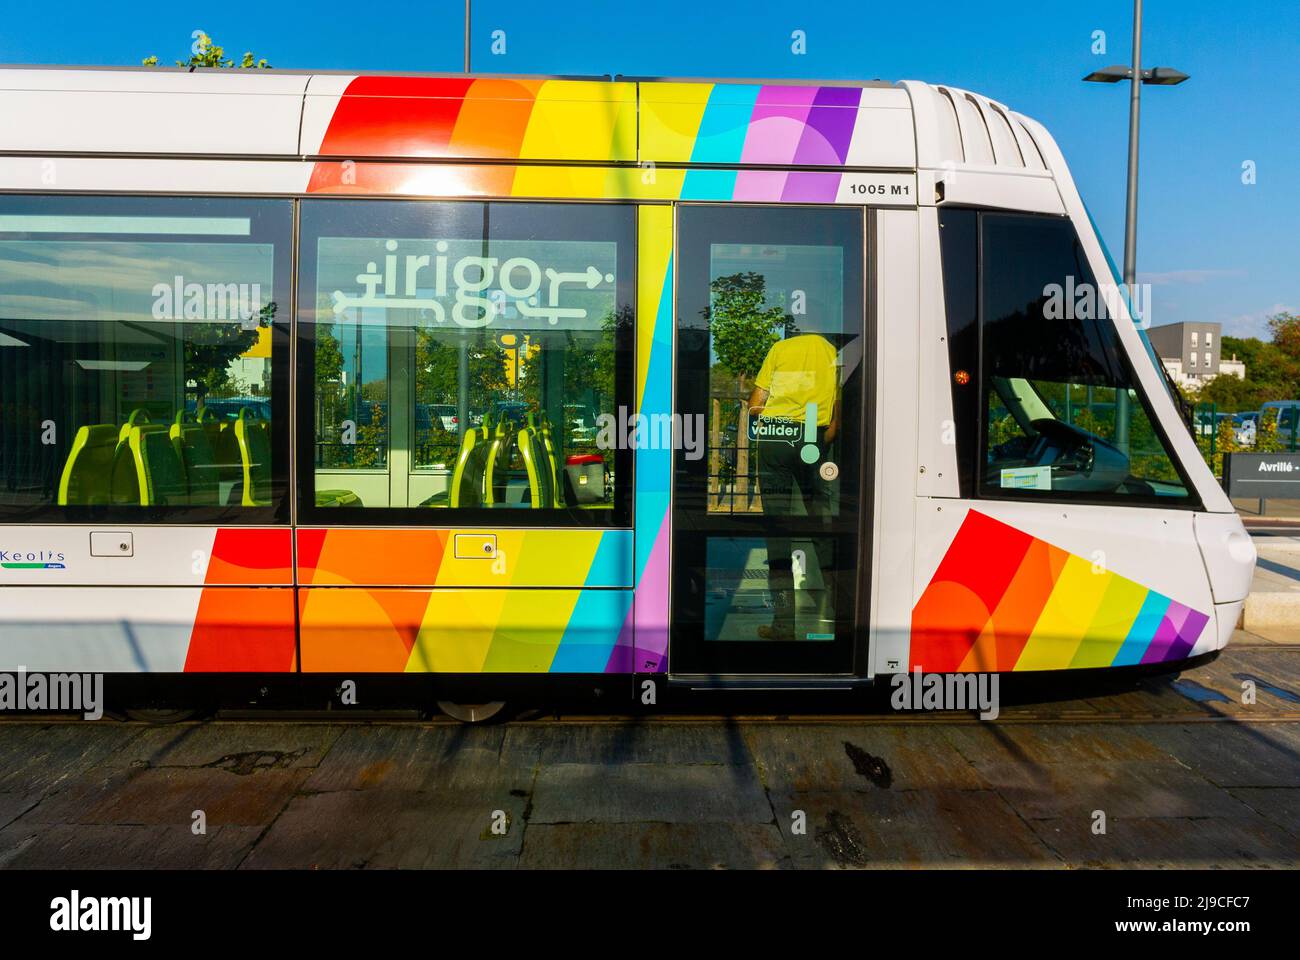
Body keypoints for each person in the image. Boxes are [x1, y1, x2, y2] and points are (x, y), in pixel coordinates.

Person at [747, 329, 839, 641]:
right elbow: (836, 415)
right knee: (821, 525)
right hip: (814, 434)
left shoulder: (779, 348)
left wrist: (770, 417)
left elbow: (756, 403)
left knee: (777, 531)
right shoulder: (830, 352)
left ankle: (783, 625)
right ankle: (839, 615)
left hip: (776, 437)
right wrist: (817, 442)